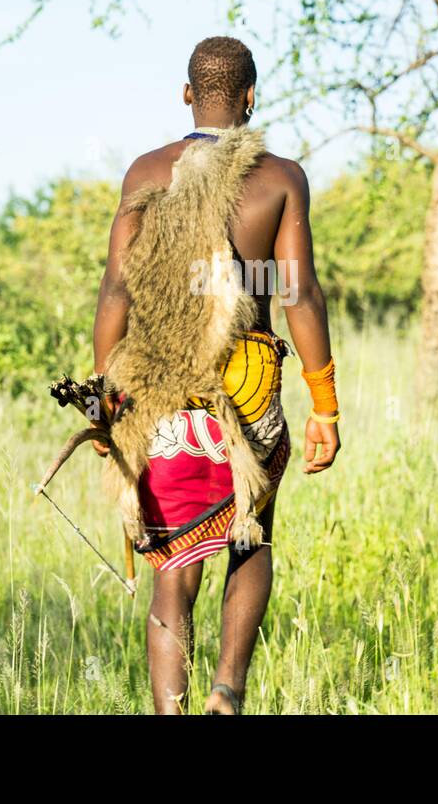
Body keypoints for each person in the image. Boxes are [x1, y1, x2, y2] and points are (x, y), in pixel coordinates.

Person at [91, 35, 341, 714]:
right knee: (250, 540)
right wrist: (326, 405)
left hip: (161, 400)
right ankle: (227, 690)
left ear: (186, 95)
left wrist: (102, 401)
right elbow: (300, 296)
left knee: (174, 575)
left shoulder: (144, 171)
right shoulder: (281, 178)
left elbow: (115, 292)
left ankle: (170, 711)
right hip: (248, 391)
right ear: (252, 97)